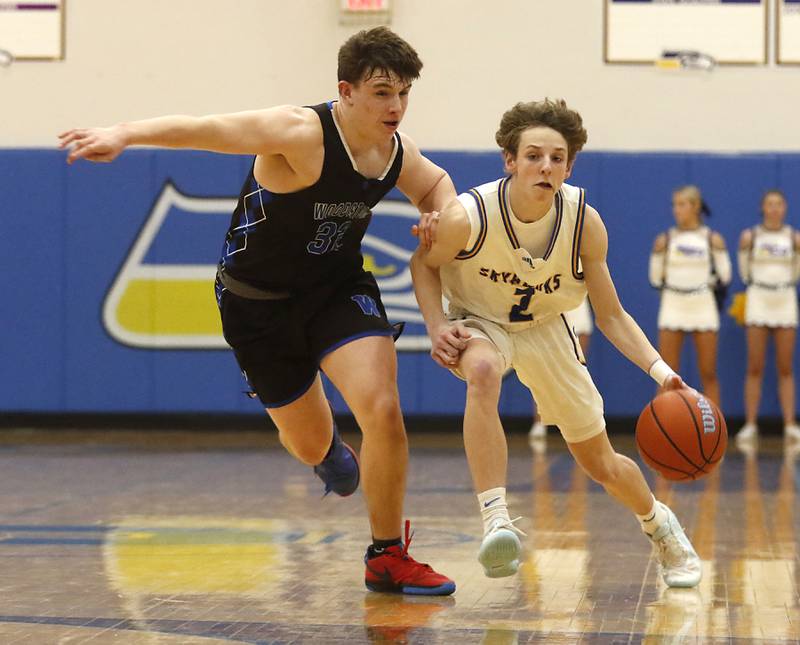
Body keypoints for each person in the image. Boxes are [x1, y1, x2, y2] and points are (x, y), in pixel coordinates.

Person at [59, 27, 456, 596]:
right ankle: (327, 455)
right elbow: (207, 128)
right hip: (258, 306)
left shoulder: (395, 150)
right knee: (309, 443)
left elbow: (436, 184)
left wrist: (441, 213)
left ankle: (387, 555)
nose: (395, 106)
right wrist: (123, 132)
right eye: (381, 92)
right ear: (345, 91)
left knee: (384, 409)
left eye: (403, 93)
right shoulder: (297, 132)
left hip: (336, 290)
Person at [410, 98, 702, 587]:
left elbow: (611, 316)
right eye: (533, 155)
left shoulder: (583, 222)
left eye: (557, 157)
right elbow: (424, 263)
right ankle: (497, 518)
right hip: (481, 321)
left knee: (601, 463)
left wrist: (663, 374)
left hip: (547, 328)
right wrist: (437, 325)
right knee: (481, 371)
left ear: (569, 165)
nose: (546, 166)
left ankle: (661, 525)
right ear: (510, 160)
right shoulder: (468, 216)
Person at [648, 186, 731, 407]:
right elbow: (655, 279)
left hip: (703, 305)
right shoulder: (665, 240)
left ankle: (715, 428)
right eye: (674, 205)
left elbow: (725, 275)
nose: (676, 210)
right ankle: (661, 427)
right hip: (673, 304)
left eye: (682, 204)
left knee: (708, 371)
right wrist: (658, 254)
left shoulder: (712, 239)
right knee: (665, 372)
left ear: (695, 207)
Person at [735, 190, 800, 443]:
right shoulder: (751, 237)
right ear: (763, 208)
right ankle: (751, 424)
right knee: (754, 366)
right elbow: (744, 273)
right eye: (769, 204)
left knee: (785, 367)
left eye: (778, 204)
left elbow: (796, 274)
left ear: (785, 208)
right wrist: (743, 250)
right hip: (758, 299)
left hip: (785, 301)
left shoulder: (793, 237)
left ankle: (790, 424)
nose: (774, 209)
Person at [528, 296, 592, 439]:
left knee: (577, 371)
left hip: (576, 303)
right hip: (549, 301)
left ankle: (580, 424)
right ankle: (539, 423)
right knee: (541, 371)